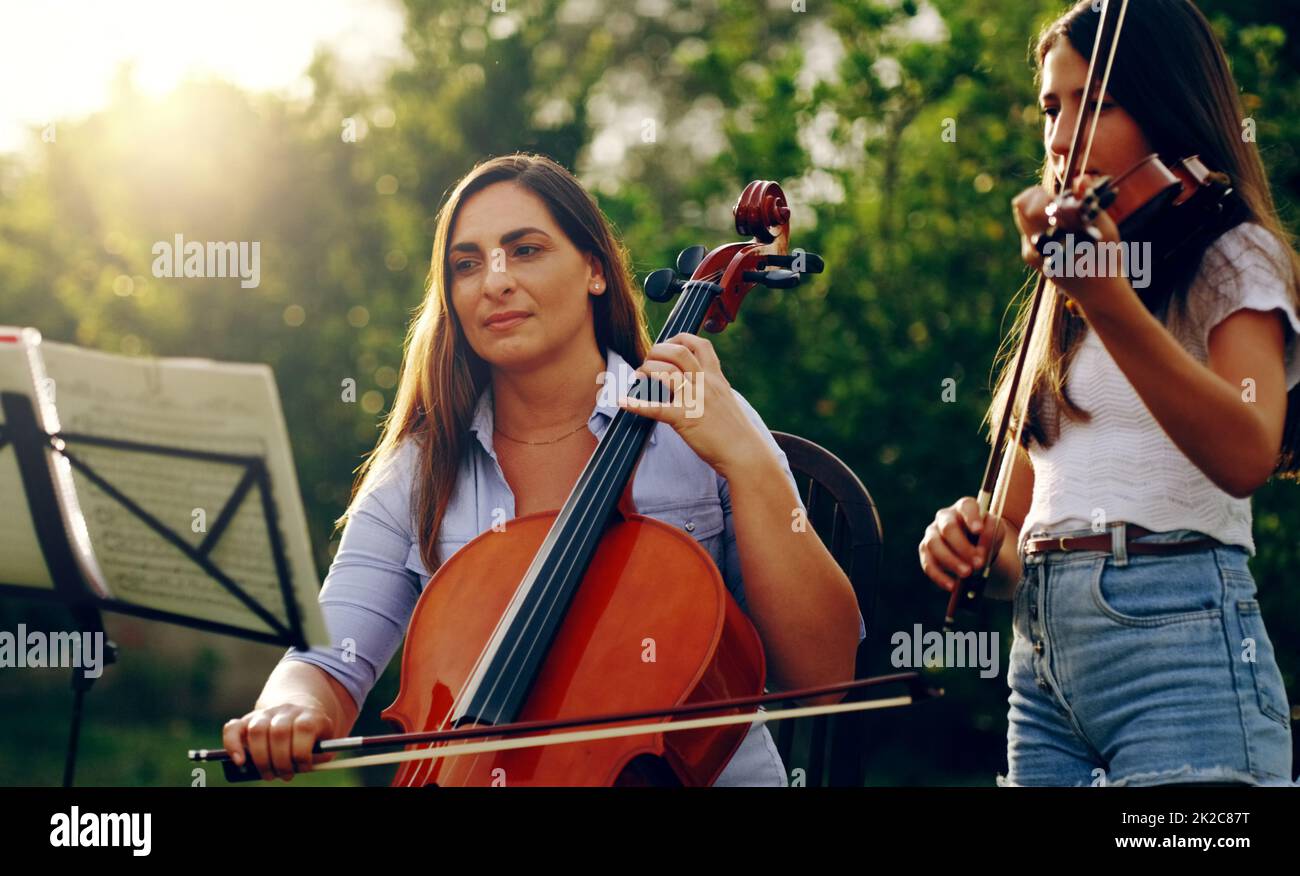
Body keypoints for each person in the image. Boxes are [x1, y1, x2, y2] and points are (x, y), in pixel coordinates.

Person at [222, 152, 864, 785]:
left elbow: (824, 676)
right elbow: (328, 660)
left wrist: (748, 461)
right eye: (466, 263)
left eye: (524, 250)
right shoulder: (419, 469)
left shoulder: (703, 426)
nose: (493, 281)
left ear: (594, 269)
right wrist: (294, 707)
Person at [918, 0, 1299, 787]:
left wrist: (1106, 297)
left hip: (1180, 645)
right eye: (1050, 108)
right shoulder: (1069, 293)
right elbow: (1020, 529)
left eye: (1097, 104)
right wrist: (971, 540)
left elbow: (1247, 451)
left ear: (1167, 105)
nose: (1060, 138)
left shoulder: (1230, 252)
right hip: (1045, 666)